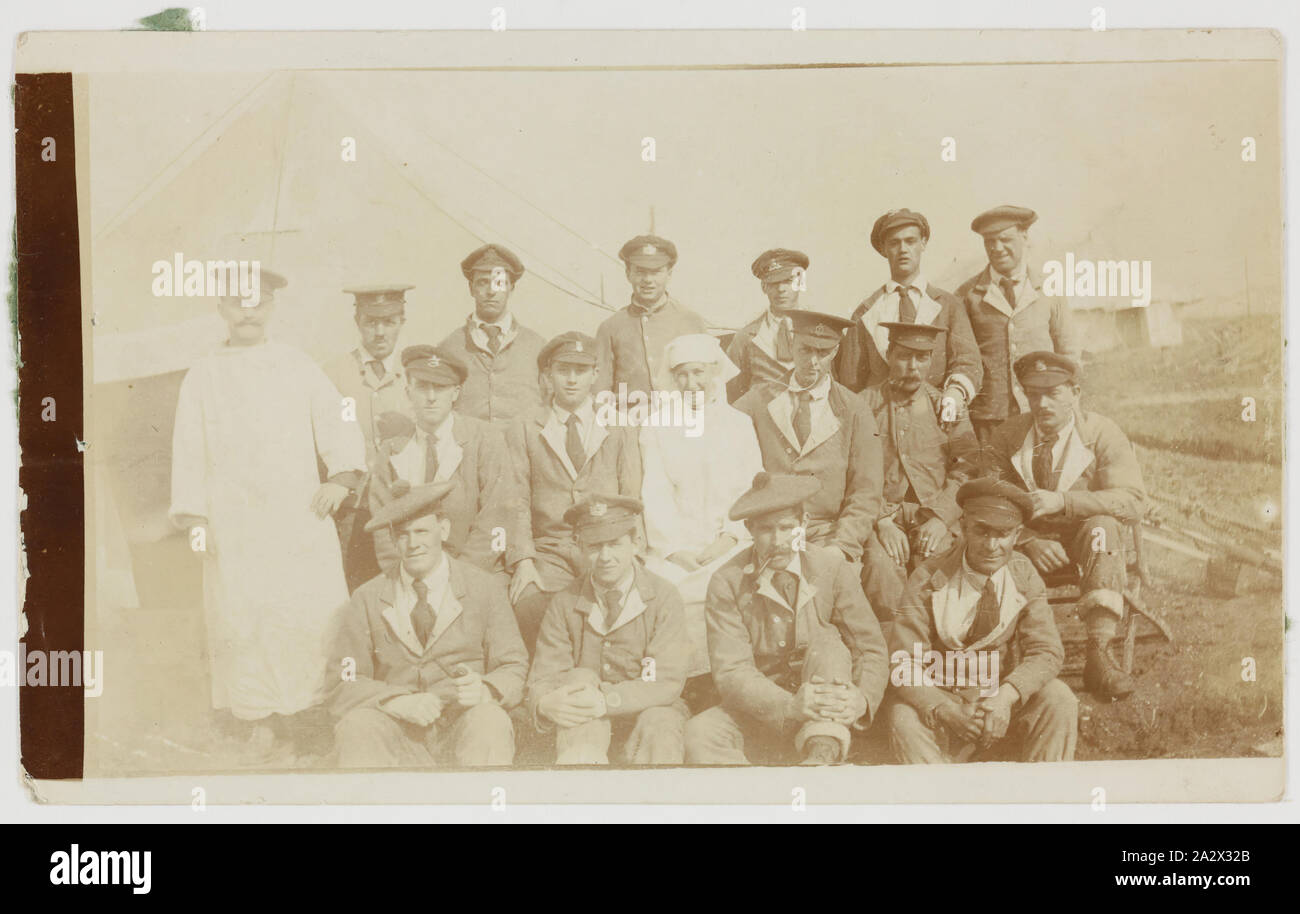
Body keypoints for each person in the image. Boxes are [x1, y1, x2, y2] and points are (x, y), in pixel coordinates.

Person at [169, 269, 367, 760]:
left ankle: (310, 716)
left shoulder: (296, 365)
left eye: (258, 302)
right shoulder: (203, 375)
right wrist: (196, 518)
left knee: (307, 614)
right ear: (221, 307)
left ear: (273, 306)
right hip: (235, 526)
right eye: (238, 302)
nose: (249, 311)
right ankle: (258, 719)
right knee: (242, 617)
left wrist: (341, 477)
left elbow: (339, 412)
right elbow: (188, 448)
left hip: (298, 519)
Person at [684, 473, 890, 765]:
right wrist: (788, 705)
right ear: (749, 529)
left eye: (787, 528)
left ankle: (821, 755)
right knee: (699, 733)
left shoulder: (830, 567)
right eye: (766, 529)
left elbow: (870, 648)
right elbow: (732, 671)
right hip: (761, 707)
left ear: (803, 524)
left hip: (824, 704)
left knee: (828, 645)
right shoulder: (727, 581)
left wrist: (862, 698)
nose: (778, 541)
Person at [329, 482, 528, 768]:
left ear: (443, 529)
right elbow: (343, 680)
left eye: (422, 531)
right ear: (393, 540)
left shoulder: (484, 588)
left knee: (490, 719)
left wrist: (486, 689)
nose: (413, 544)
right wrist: (394, 701)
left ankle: (481, 808)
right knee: (357, 726)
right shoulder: (367, 598)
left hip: (462, 725)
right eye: (403, 536)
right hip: (398, 731)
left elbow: (513, 665)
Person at [987, 352, 1146, 700]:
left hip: (1084, 538)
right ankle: (1009, 660)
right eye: (1032, 394)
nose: (1042, 404)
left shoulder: (1101, 432)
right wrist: (1026, 540)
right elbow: (989, 498)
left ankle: (1100, 654)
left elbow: (1133, 500)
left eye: (1053, 393)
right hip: (1026, 544)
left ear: (1075, 393)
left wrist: (1066, 502)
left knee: (1103, 528)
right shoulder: (1009, 435)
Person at [885, 477, 1078, 763]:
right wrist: (943, 709)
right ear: (963, 528)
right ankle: (933, 799)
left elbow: (1047, 651)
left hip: (997, 700)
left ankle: (1043, 794)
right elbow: (903, 663)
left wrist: (1005, 697)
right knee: (903, 716)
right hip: (944, 697)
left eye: (1003, 534)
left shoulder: (1023, 575)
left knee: (1059, 698)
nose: (991, 545)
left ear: (1017, 535)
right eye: (982, 531)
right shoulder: (928, 578)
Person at [525, 496, 690, 765]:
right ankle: (582, 784)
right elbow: (545, 675)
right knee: (578, 684)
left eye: (615, 544)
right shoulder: (565, 601)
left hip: (650, 711)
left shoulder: (663, 597)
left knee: (662, 722)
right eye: (594, 546)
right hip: (586, 718)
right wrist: (544, 702)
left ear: (635, 544)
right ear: (579, 546)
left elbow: (666, 681)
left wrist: (607, 700)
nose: (605, 557)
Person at [504, 331, 643, 650]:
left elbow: (632, 496)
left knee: (625, 605)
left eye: (580, 371)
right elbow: (516, 500)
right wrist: (524, 560)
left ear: (595, 374)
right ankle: (547, 679)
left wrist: (633, 551)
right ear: (547, 375)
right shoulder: (525, 427)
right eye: (562, 370)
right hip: (550, 549)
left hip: (606, 543)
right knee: (529, 601)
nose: (571, 379)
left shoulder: (619, 425)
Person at [640, 333, 763, 676]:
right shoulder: (656, 427)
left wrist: (728, 538)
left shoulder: (739, 425)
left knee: (726, 584)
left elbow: (752, 490)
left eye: (698, 373)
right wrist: (675, 550)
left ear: (714, 373)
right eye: (682, 374)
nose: (691, 383)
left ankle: (730, 675)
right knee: (665, 590)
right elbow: (655, 491)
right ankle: (679, 680)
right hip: (674, 549)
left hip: (731, 541)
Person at [734, 310, 884, 564]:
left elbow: (866, 492)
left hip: (828, 532)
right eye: (805, 350)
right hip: (771, 531)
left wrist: (842, 545)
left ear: (835, 352)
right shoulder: (758, 399)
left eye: (823, 353)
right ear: (791, 345)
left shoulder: (855, 409)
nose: (813, 361)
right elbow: (718, 428)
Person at [860, 322, 978, 625]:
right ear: (889, 354)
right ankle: (898, 654)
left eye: (922, 358)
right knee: (880, 569)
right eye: (903, 356)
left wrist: (941, 518)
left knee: (940, 572)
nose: (913, 367)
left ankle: (935, 651)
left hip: (934, 518)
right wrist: (882, 521)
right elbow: (852, 471)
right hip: (882, 519)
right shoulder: (861, 405)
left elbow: (967, 468)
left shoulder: (946, 407)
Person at [367, 345, 514, 576]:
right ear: (408, 392)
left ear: (455, 393)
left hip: (475, 572)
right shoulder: (392, 450)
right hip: (411, 576)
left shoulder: (484, 439)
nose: (431, 397)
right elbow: (382, 528)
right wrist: (404, 578)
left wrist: (459, 577)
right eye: (423, 387)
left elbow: (497, 518)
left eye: (441, 388)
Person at [836, 209, 982, 426]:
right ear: (884, 249)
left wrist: (954, 396)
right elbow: (850, 381)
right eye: (894, 243)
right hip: (882, 424)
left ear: (923, 243)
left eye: (910, 241)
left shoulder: (948, 305)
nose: (903, 249)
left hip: (936, 420)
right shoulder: (866, 312)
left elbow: (968, 361)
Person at [955, 205, 1078, 444]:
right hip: (989, 419)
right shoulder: (967, 295)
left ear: (1025, 237)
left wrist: (1068, 408)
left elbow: (1068, 353)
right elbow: (962, 358)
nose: (997, 248)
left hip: (1042, 411)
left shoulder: (1050, 290)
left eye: (1005, 239)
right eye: (989, 241)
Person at [321, 284, 415, 591]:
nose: (379, 332)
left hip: (400, 511)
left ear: (402, 321)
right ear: (358, 322)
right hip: (350, 512)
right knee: (350, 595)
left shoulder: (416, 375)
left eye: (389, 322)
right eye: (371, 322)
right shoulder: (331, 375)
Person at [437, 244, 546, 424]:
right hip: (470, 450)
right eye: (482, 282)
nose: (490, 291)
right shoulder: (448, 348)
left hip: (520, 450)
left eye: (499, 283)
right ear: (471, 288)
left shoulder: (537, 347)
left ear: (512, 288)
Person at [595, 234, 707, 397]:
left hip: (681, 418)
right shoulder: (610, 328)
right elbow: (600, 390)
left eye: (655, 272)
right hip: (629, 419)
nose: (647, 280)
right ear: (628, 274)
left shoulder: (691, 322)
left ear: (669, 274)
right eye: (640, 272)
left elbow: (710, 383)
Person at [724, 248, 807, 402]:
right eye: (773, 283)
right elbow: (733, 393)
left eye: (788, 281)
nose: (781, 289)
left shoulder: (822, 330)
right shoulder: (745, 338)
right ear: (764, 287)